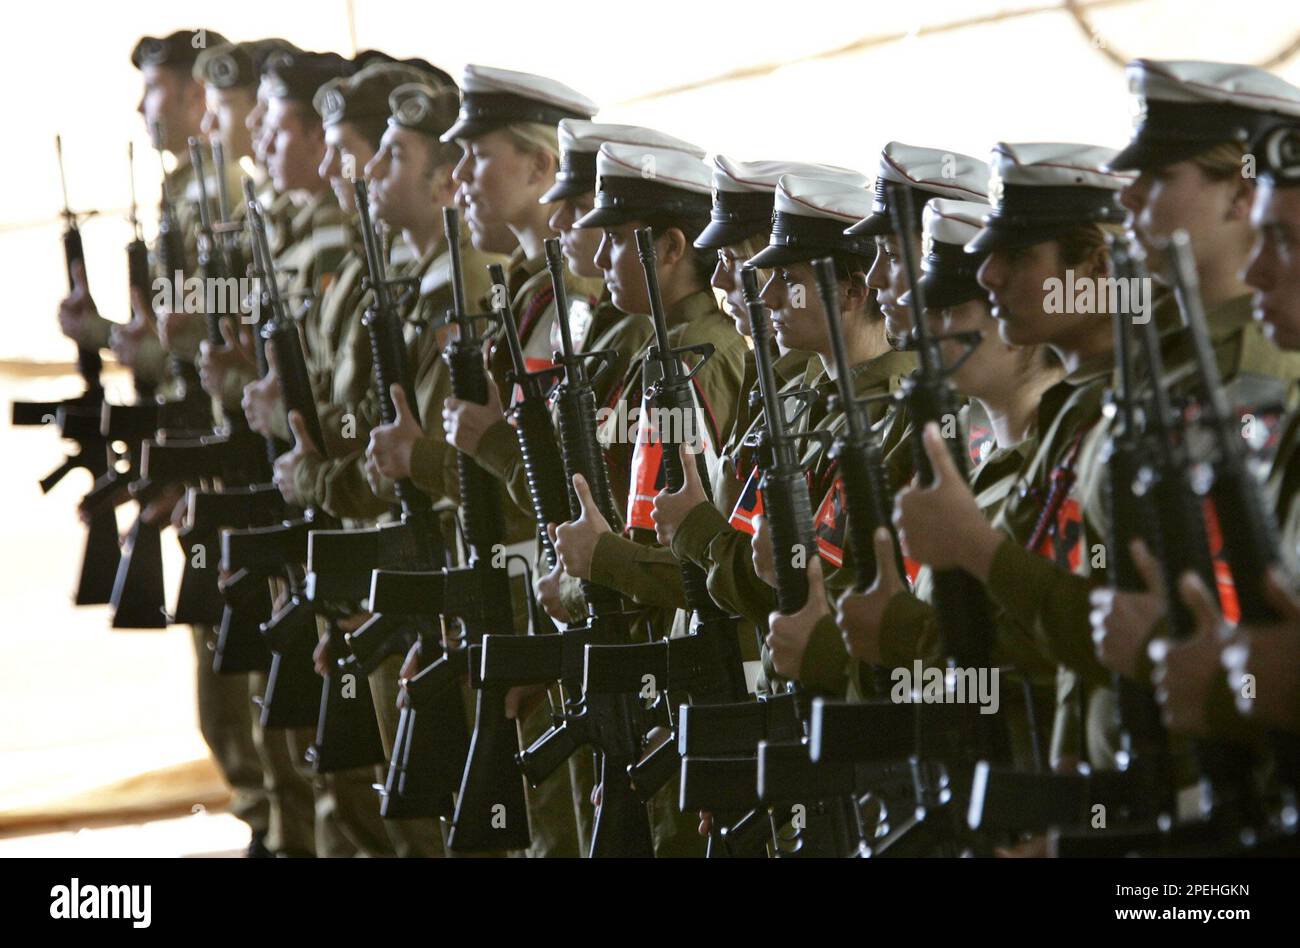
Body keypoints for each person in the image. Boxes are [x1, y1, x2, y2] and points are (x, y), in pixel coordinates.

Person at [550, 138, 750, 856]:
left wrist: (594, 570)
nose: (599, 259)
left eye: (615, 243)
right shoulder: (661, 351)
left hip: (695, 656)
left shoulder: (699, 358)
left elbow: (692, 552)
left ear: (669, 248)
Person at [834, 198, 1063, 767]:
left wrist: (902, 637)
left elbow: (1037, 665)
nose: (929, 331)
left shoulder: (1056, 472)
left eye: (951, 311)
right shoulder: (981, 463)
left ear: (1015, 325)